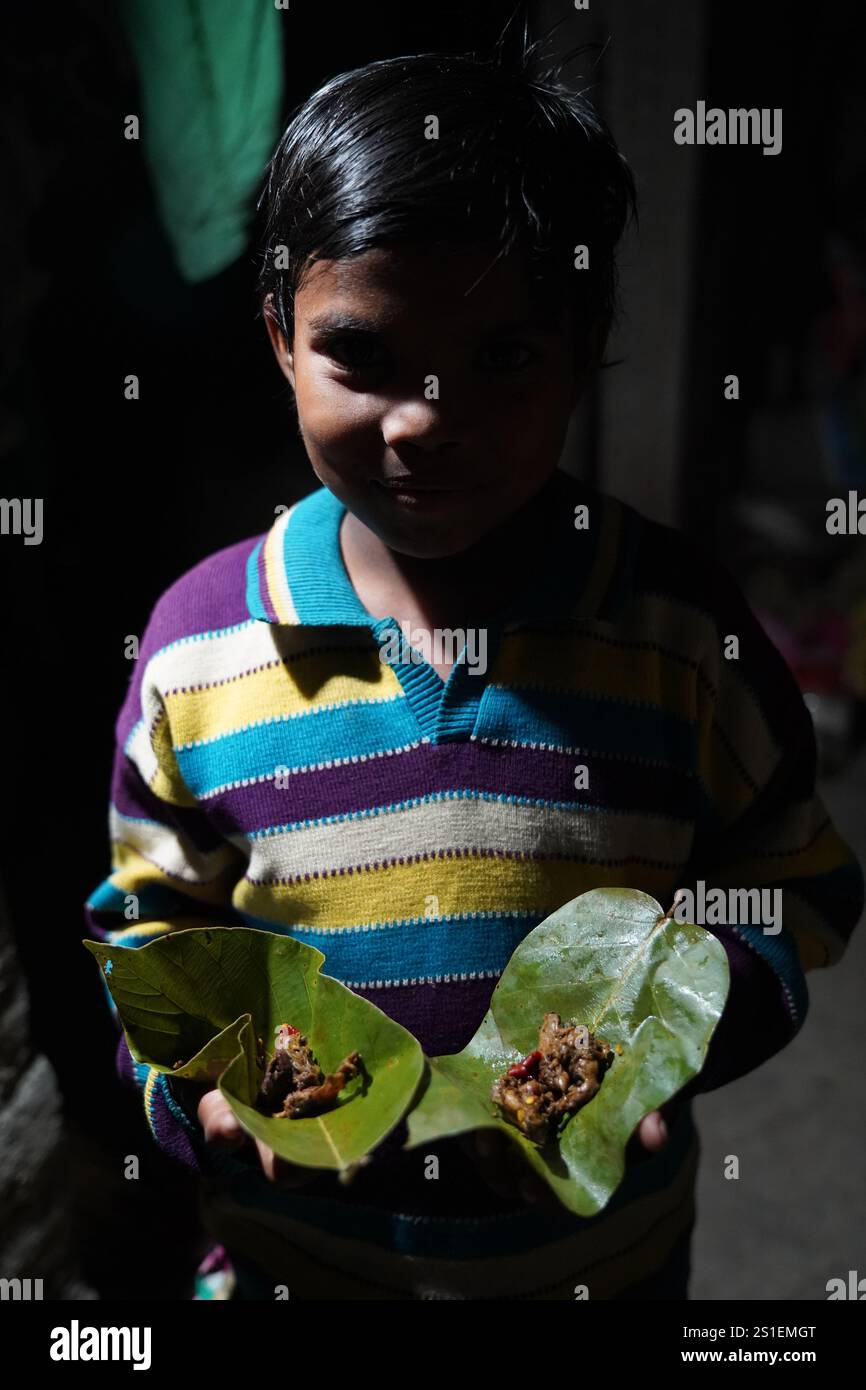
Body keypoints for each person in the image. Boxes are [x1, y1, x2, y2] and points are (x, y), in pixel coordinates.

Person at [84, 46, 864, 1301]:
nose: (424, 418)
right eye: (364, 355)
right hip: (301, 1265)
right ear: (281, 336)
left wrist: (676, 1033)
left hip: (594, 1268)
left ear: (583, 346)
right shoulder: (195, 654)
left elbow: (791, 889)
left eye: (499, 357)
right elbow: (149, 936)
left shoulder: (674, 636)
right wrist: (200, 1087)